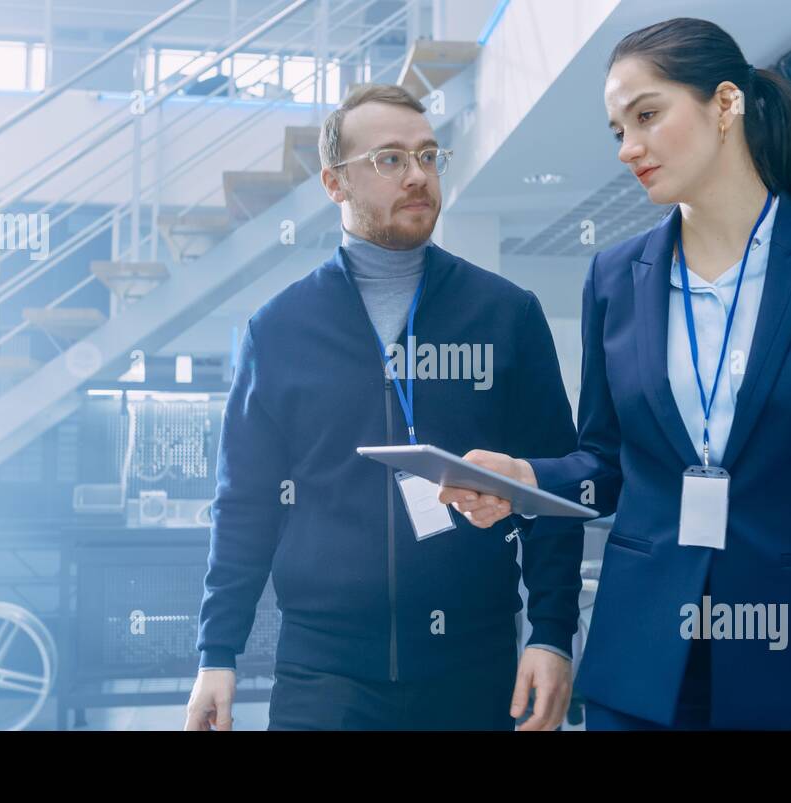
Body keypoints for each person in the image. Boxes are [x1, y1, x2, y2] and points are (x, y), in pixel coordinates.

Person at [439, 18, 791, 731]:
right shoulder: (615, 276)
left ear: (725, 104)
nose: (628, 148)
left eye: (646, 115)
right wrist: (527, 479)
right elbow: (606, 461)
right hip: (642, 667)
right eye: (616, 130)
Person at [184, 83, 583, 731]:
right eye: (391, 159)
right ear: (334, 183)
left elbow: (549, 488)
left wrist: (551, 633)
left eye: (429, 156)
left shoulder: (507, 315)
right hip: (323, 673)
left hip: (473, 666)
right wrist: (216, 651)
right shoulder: (279, 328)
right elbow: (246, 501)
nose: (419, 175)